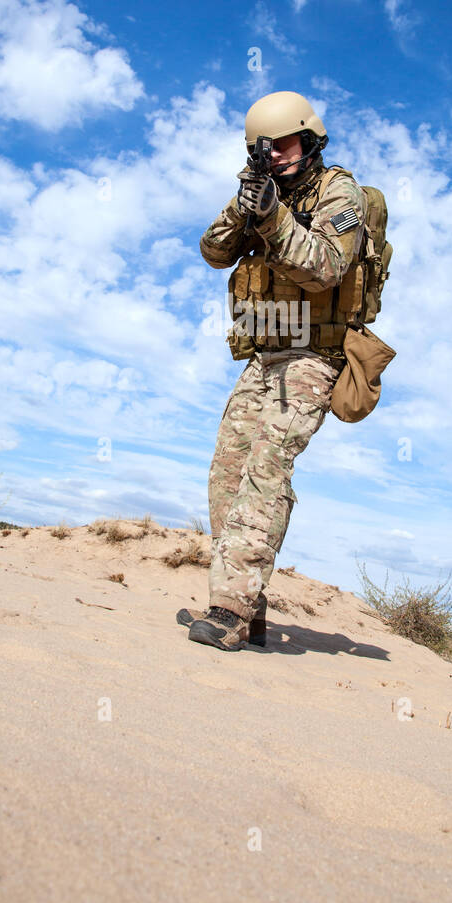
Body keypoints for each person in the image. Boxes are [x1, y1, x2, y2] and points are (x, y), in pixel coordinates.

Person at [178, 90, 368, 652]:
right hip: (265, 355)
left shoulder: (341, 193)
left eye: (283, 145)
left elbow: (327, 267)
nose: (276, 156)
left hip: (314, 355)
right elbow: (213, 251)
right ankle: (249, 607)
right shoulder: (262, 191)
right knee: (226, 475)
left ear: (309, 139)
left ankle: (230, 610)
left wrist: (274, 216)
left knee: (267, 469)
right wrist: (245, 205)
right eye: (264, 148)